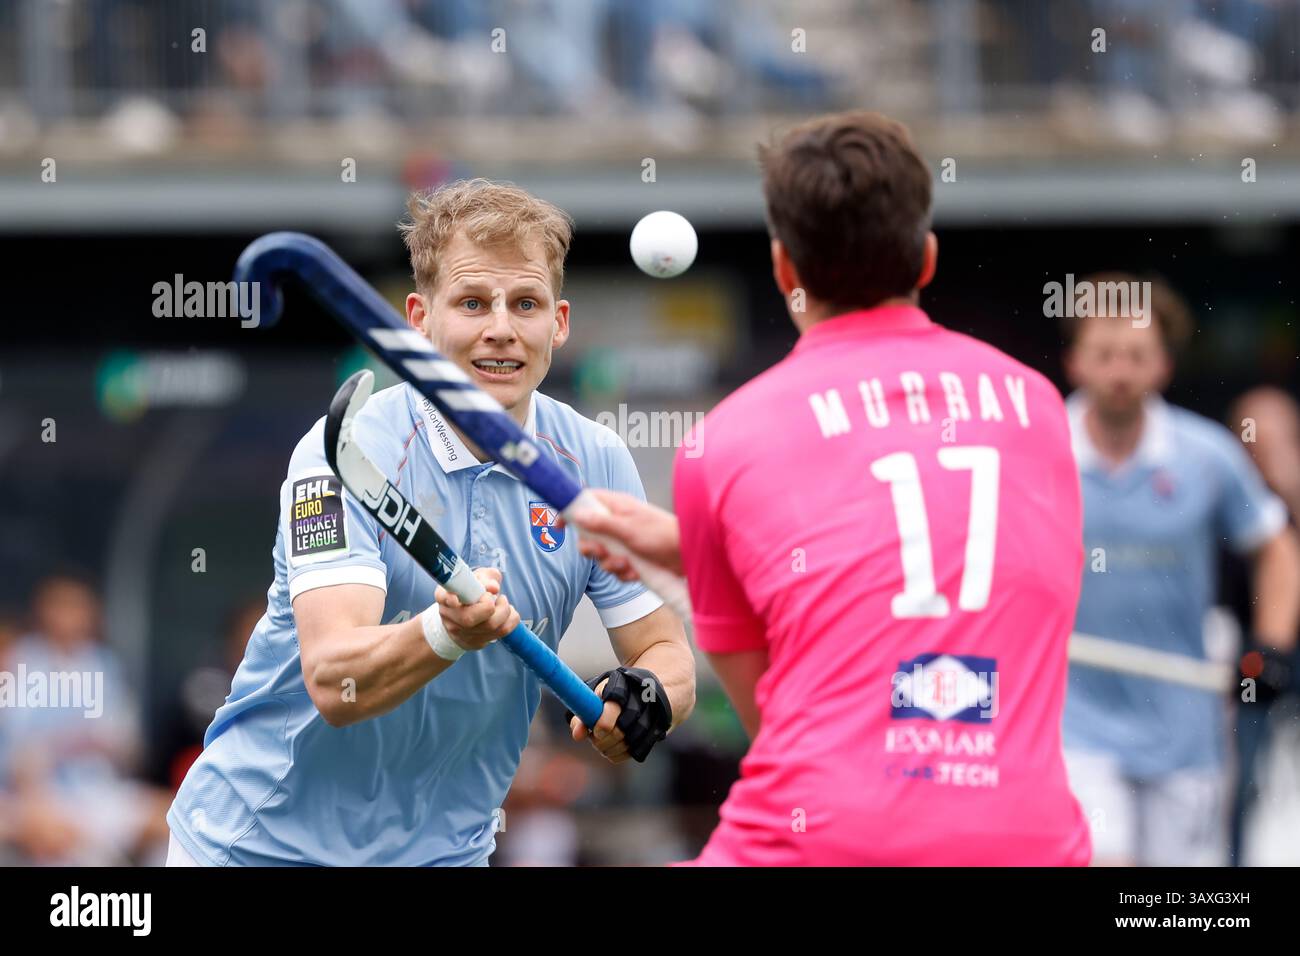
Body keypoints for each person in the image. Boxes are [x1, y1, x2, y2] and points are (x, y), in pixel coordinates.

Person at [573, 110, 1091, 864]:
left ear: (785, 270)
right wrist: (698, 551)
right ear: (927, 258)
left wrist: (705, 550)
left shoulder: (723, 441)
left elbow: (773, 715)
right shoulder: (1039, 409)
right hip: (1032, 842)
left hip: (816, 841)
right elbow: (923, 551)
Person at [167, 179, 694, 866]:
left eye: (525, 304)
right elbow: (335, 680)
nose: (500, 328)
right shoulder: (342, 452)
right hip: (256, 845)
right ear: (418, 317)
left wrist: (649, 697)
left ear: (558, 324)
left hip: (445, 853)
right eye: (473, 303)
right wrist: (446, 631)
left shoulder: (594, 462)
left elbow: (666, 650)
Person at [1058, 276, 1300, 866]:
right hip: (1074, 726)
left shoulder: (1207, 455)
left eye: (1136, 356)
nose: (1120, 371)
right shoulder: (1043, 450)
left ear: (1163, 365)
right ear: (1075, 362)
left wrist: (1269, 648)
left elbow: (1275, 549)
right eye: (1105, 354)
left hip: (1185, 731)